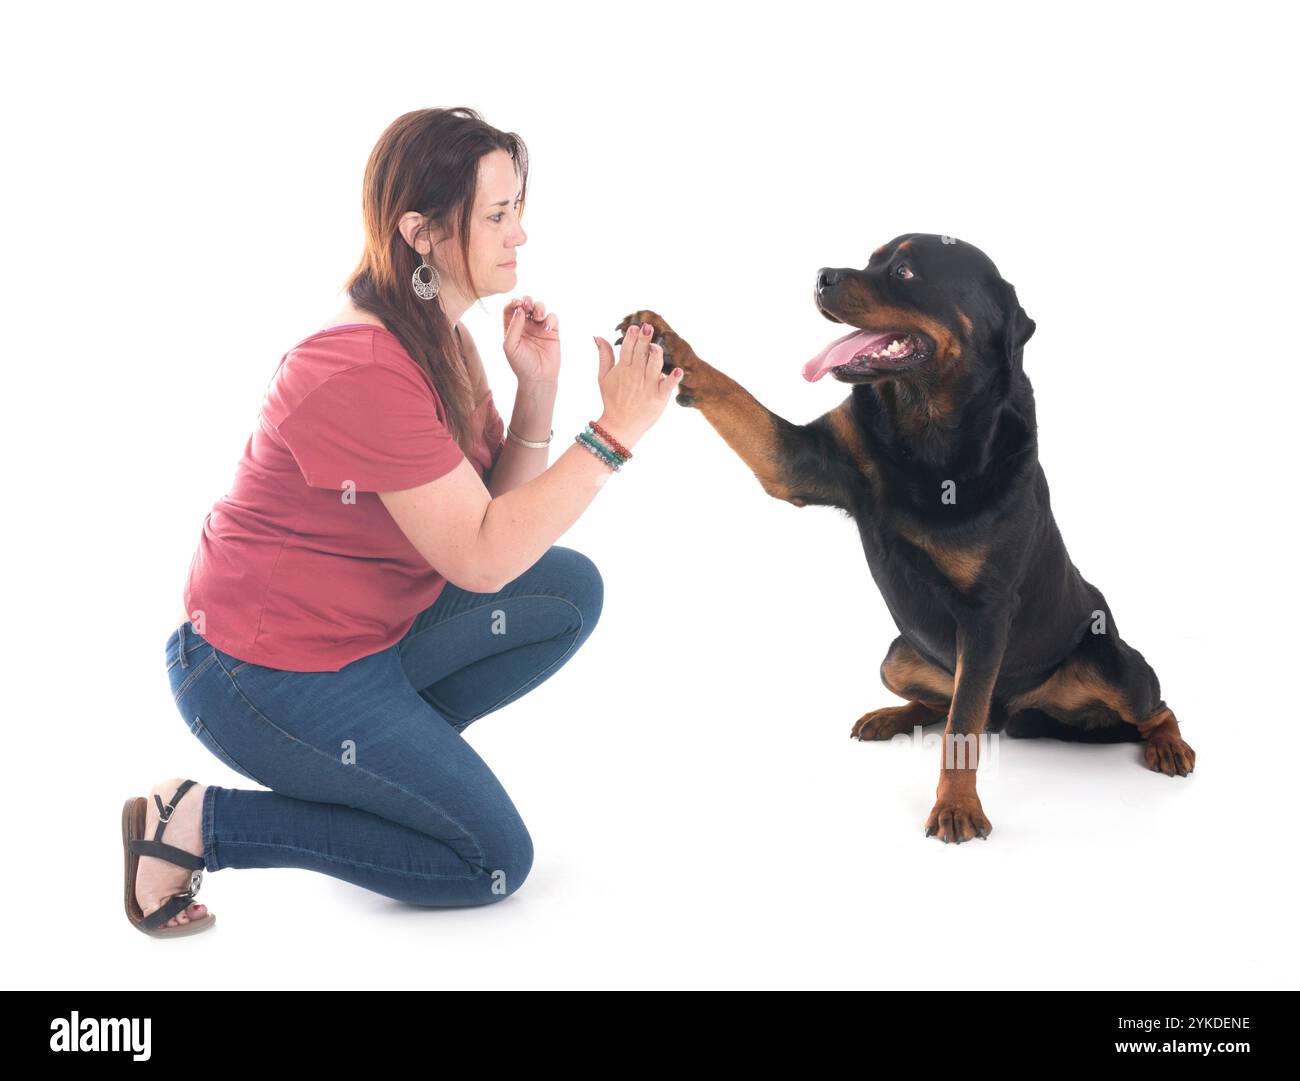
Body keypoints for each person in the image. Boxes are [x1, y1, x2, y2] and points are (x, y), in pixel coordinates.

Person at [127, 106, 684, 934]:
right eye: (497, 215)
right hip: (257, 672)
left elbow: (496, 520)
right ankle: (194, 823)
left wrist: (536, 390)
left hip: (365, 637)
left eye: (517, 210)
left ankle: (379, 780)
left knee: (566, 590)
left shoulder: (441, 340)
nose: (520, 234)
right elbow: (484, 560)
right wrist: (612, 437)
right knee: (491, 860)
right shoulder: (357, 365)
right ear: (420, 232)